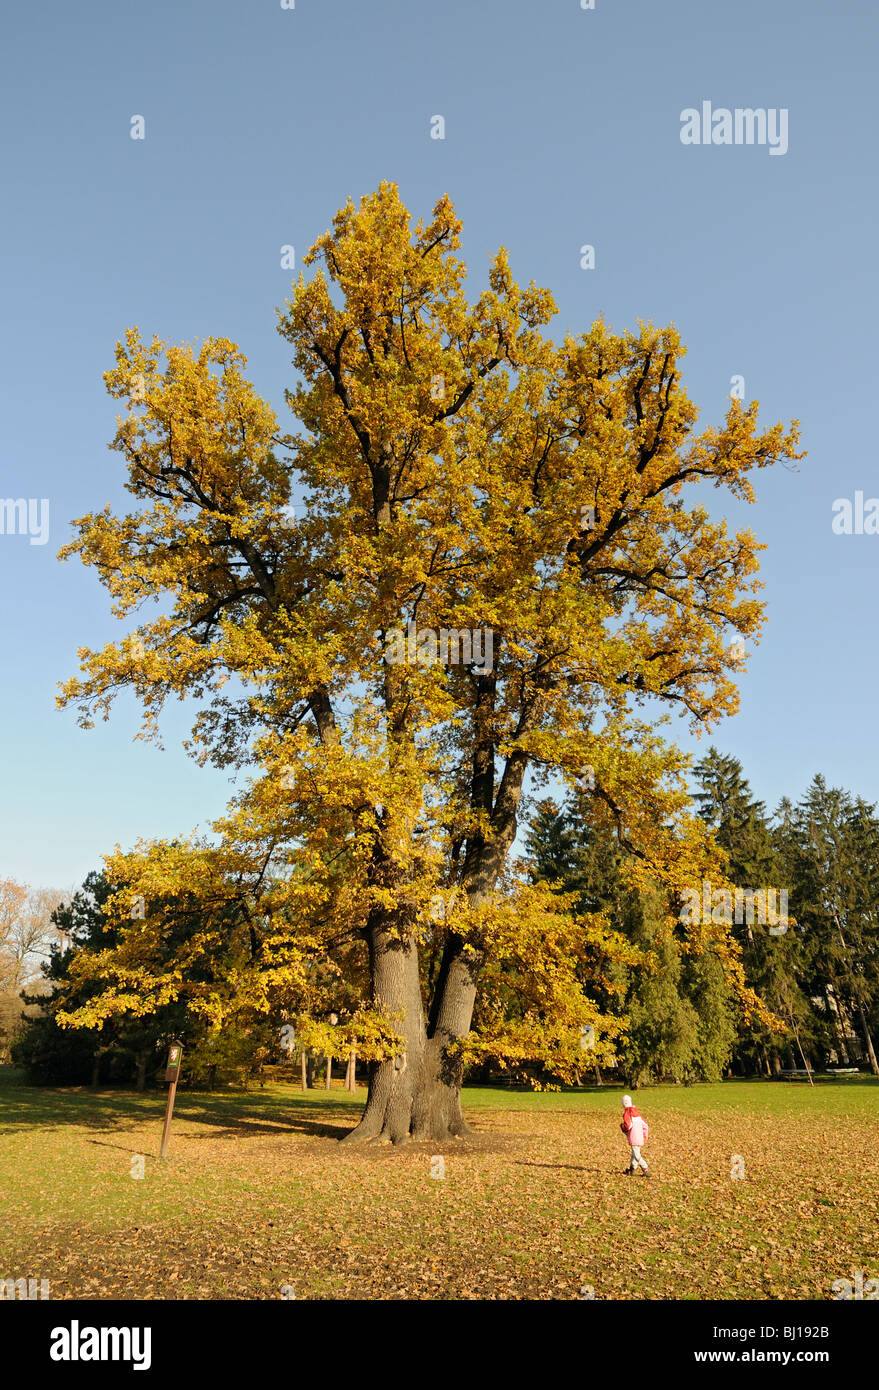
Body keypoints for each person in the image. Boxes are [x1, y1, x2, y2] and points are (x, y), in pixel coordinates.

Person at [620, 1094, 650, 1175]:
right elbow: (645, 1125)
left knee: (637, 1155)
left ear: (623, 1104)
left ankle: (645, 1169)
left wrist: (622, 1127)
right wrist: (645, 1135)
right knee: (634, 1153)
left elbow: (628, 1126)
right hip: (640, 1136)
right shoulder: (637, 1112)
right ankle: (632, 1169)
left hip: (633, 1137)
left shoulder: (627, 1113)